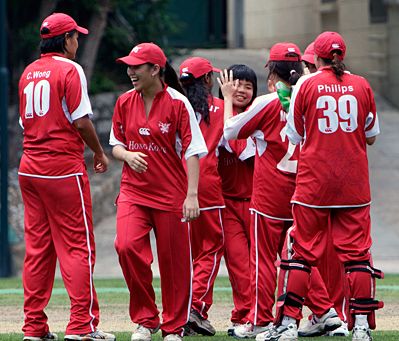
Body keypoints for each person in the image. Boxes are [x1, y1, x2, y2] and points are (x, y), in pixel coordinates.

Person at [260, 31, 383, 341]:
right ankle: (361, 328)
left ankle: (288, 325)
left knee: (301, 253)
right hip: (354, 185)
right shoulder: (362, 85)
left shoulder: (306, 85)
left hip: (315, 183)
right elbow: (371, 136)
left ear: (316, 58)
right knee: (357, 256)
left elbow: (296, 136)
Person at [18, 13, 114, 341]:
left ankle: (34, 328)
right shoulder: (70, 69)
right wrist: (99, 153)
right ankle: (81, 326)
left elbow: (24, 124)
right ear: (66, 39)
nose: (78, 42)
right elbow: (82, 121)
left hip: (29, 169)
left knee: (38, 250)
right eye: (76, 37)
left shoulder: (29, 72)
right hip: (62, 169)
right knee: (77, 247)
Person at [109, 43, 208, 341]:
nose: (130, 72)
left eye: (136, 67)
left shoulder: (178, 103)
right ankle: (146, 320)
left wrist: (192, 195)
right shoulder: (125, 101)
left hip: (170, 195)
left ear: (155, 69)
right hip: (133, 192)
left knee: (174, 264)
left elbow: (193, 150)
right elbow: (116, 144)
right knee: (125, 247)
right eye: (128, 66)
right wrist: (127, 156)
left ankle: (174, 327)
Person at [220, 42, 303, 339]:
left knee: (264, 260)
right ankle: (308, 316)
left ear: (271, 76)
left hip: (270, 194)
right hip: (305, 193)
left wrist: (228, 98)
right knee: (302, 259)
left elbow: (229, 131)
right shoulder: (310, 98)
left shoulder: (266, 102)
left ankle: (260, 320)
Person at [178, 56, 224, 336]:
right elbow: (233, 137)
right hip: (207, 183)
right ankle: (196, 307)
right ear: (207, 80)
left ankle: (182, 309)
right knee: (211, 247)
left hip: (178, 183)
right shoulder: (218, 107)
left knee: (188, 253)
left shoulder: (176, 105)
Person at [217, 64, 257, 335]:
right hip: (227, 203)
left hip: (258, 203)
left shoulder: (259, 115)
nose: (241, 90)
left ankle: (259, 314)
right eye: (235, 84)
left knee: (261, 265)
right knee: (238, 264)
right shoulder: (210, 116)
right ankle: (244, 315)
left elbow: (238, 146)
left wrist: (228, 103)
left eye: (247, 86)